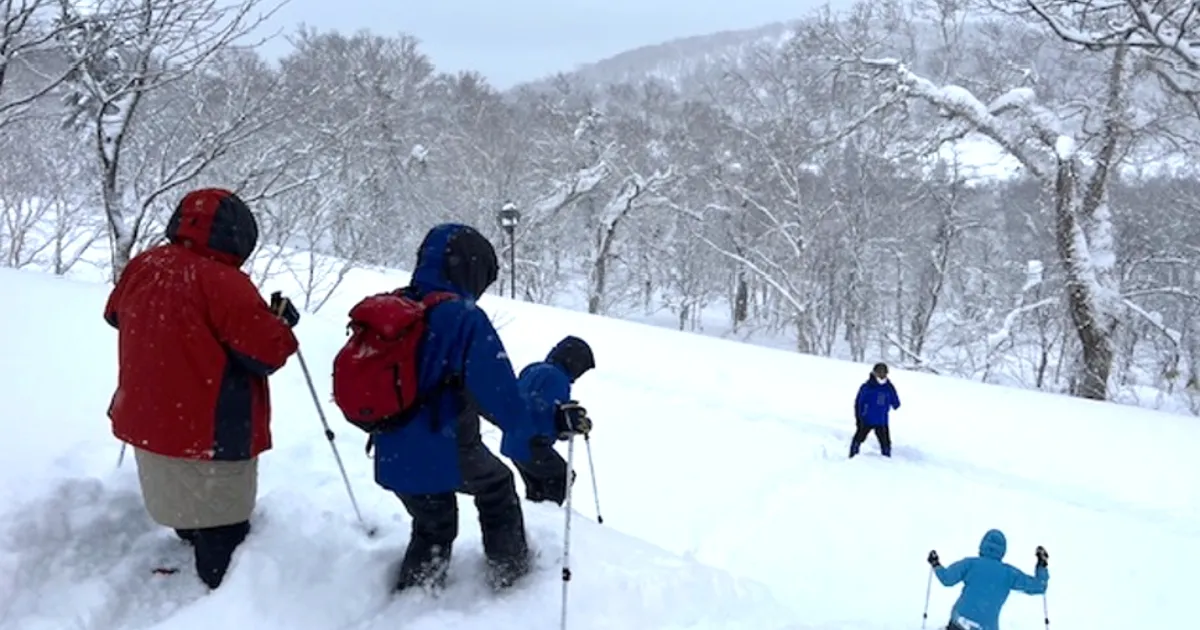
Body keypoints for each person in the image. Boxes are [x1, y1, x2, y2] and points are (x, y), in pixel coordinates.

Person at [369, 223, 592, 593]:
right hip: (446, 447)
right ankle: (513, 582)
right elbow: (505, 402)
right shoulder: (463, 319)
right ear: (469, 270)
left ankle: (413, 596)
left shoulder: (395, 306)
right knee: (498, 488)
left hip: (390, 449)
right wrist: (553, 419)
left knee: (433, 525)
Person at [103, 187, 300, 589]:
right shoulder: (225, 282)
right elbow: (266, 354)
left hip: (148, 417)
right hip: (210, 431)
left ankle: (190, 537)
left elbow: (114, 316)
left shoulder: (145, 264)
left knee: (179, 496)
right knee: (224, 523)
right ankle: (220, 593)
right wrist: (280, 324)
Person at [514, 335, 596, 505]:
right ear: (574, 361)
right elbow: (542, 412)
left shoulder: (533, 368)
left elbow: (525, 402)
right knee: (562, 478)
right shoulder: (555, 377)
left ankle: (533, 524)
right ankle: (548, 524)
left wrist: (564, 421)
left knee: (538, 490)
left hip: (514, 441)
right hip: (532, 443)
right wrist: (565, 422)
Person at [927, 530, 1049, 630]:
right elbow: (1039, 586)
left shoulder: (970, 564)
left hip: (960, 619)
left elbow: (947, 579)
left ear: (983, 544)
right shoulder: (1009, 573)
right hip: (986, 626)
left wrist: (936, 564)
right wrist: (1041, 565)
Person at [850, 362, 900, 458]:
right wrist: (859, 418)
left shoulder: (889, 387)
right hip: (866, 420)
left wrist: (894, 403)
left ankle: (887, 463)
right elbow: (858, 404)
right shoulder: (867, 387)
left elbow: (896, 403)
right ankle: (852, 458)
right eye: (879, 372)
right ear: (874, 373)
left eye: (884, 373)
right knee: (858, 440)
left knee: (886, 444)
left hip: (882, 421)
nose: (881, 375)